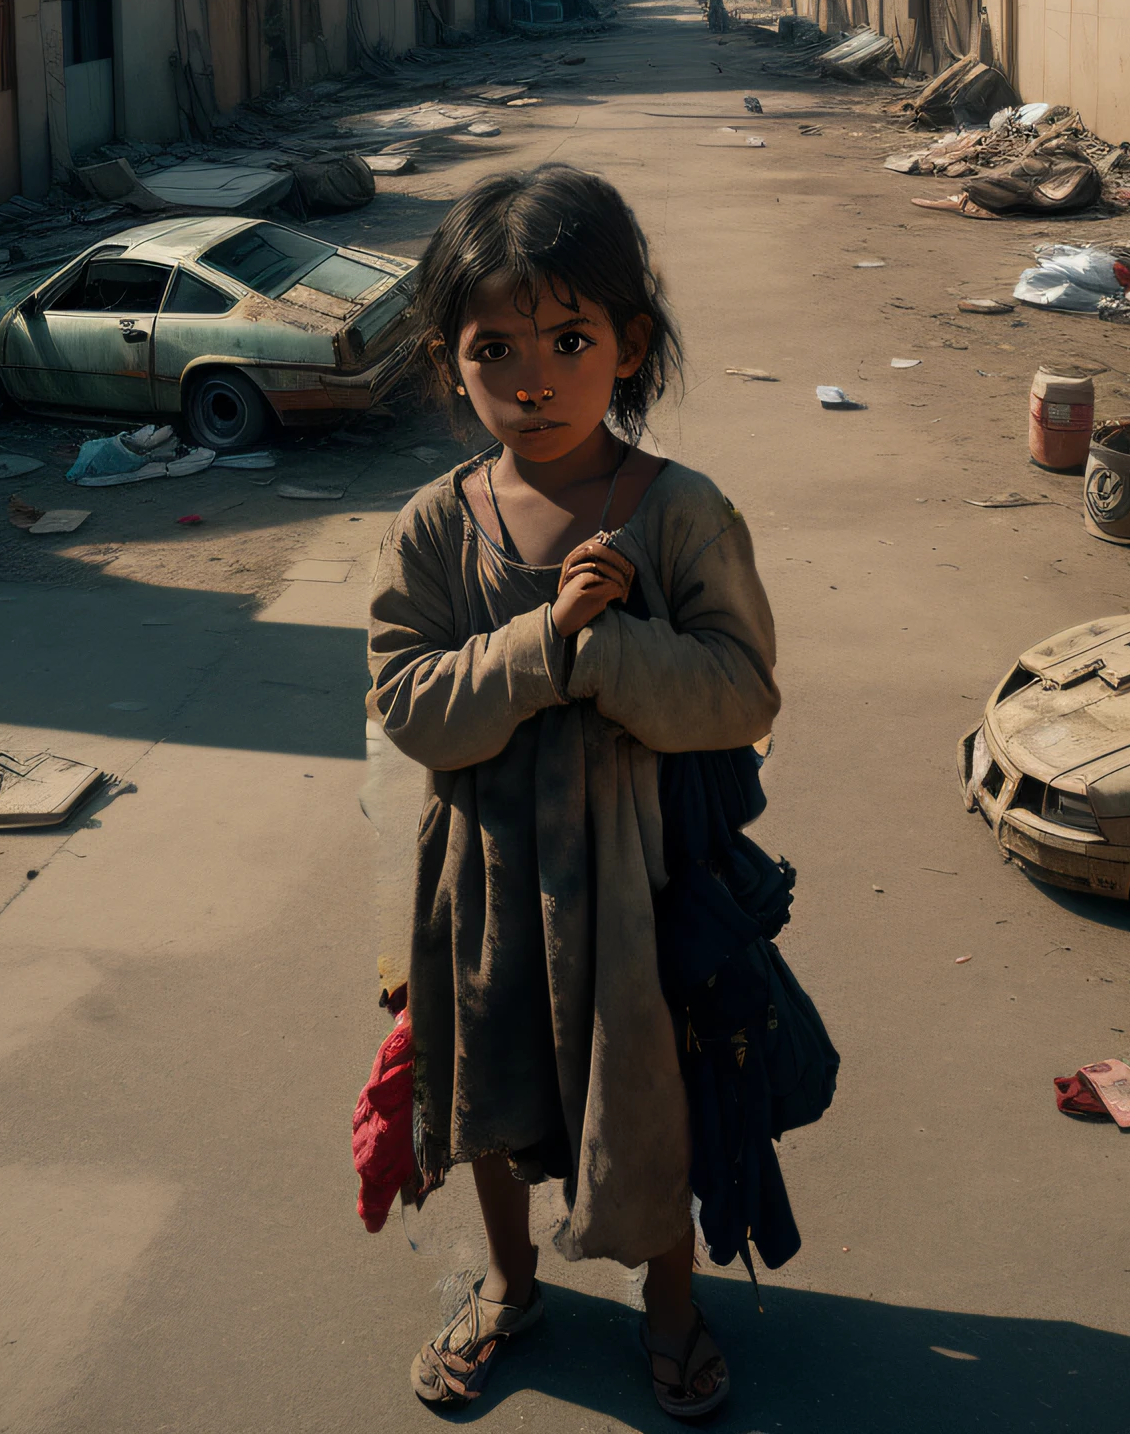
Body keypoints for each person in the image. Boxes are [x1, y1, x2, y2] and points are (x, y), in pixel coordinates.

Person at [366, 164, 781, 1418]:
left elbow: (741, 690)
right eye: (495, 348)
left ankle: (668, 1299)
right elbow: (410, 702)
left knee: (642, 1102)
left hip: (638, 888)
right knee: (483, 1095)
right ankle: (506, 1281)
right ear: (449, 362)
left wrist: (609, 649)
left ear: (629, 344)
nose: (532, 378)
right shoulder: (436, 526)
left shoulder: (679, 512)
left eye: (568, 338)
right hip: (480, 884)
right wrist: (544, 643)